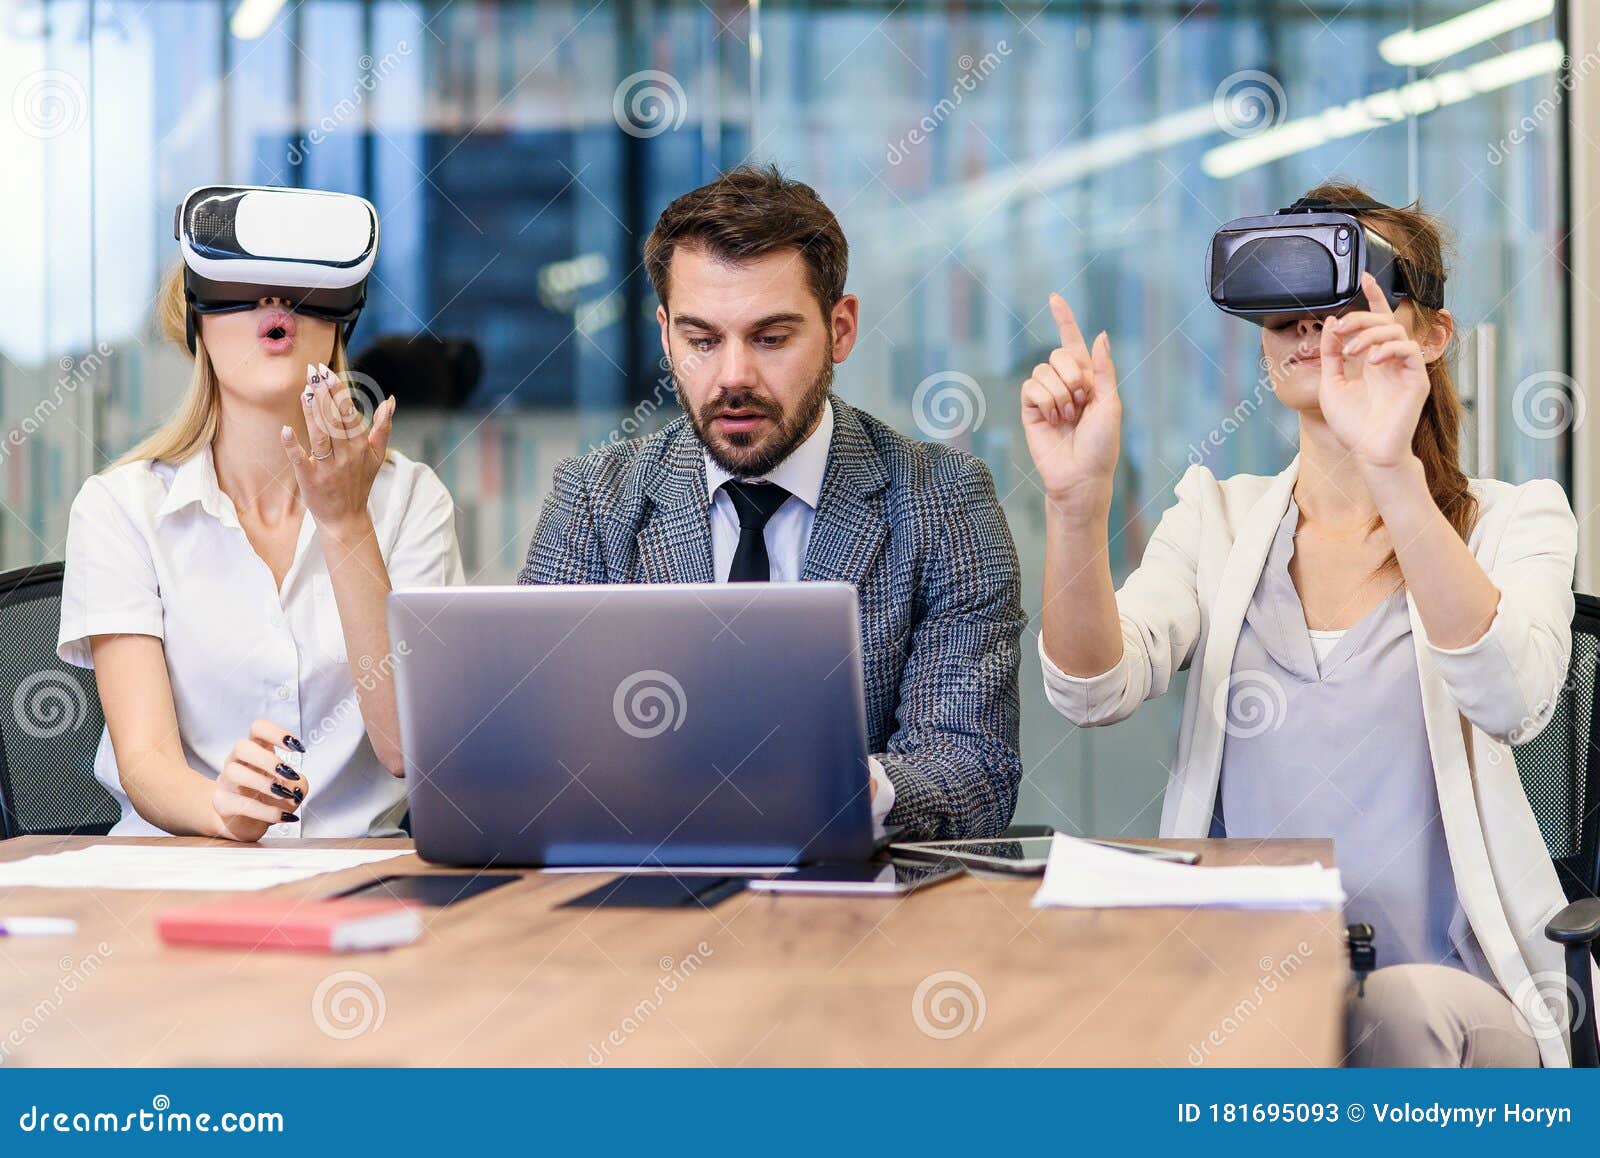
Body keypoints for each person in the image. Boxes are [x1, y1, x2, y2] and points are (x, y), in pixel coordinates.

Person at [1025, 181, 1582, 1066]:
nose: (1310, 325)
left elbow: (1512, 697)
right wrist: (1075, 503)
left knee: (1392, 1012)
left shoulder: (1519, 519)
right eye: (1285, 307)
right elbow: (1094, 690)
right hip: (1251, 982)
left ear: (1432, 335)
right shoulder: (1219, 517)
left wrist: (1389, 465)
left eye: (1347, 294)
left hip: (1456, 990)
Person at [519, 164, 1024, 840]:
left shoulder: (943, 501)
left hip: (857, 917)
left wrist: (838, 786)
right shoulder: (593, 501)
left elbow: (975, 770)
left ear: (840, 329)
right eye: (701, 341)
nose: (733, 377)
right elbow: (532, 751)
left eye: (771, 338)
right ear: (666, 333)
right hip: (640, 907)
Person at [59, 187, 462, 840]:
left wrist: (345, 522)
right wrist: (221, 807)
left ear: (340, 317)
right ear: (197, 317)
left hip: (354, 882)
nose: (275, 305)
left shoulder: (413, 501)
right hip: (174, 876)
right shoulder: (120, 509)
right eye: (243, 285)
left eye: (303, 287)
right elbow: (147, 760)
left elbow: (408, 752)